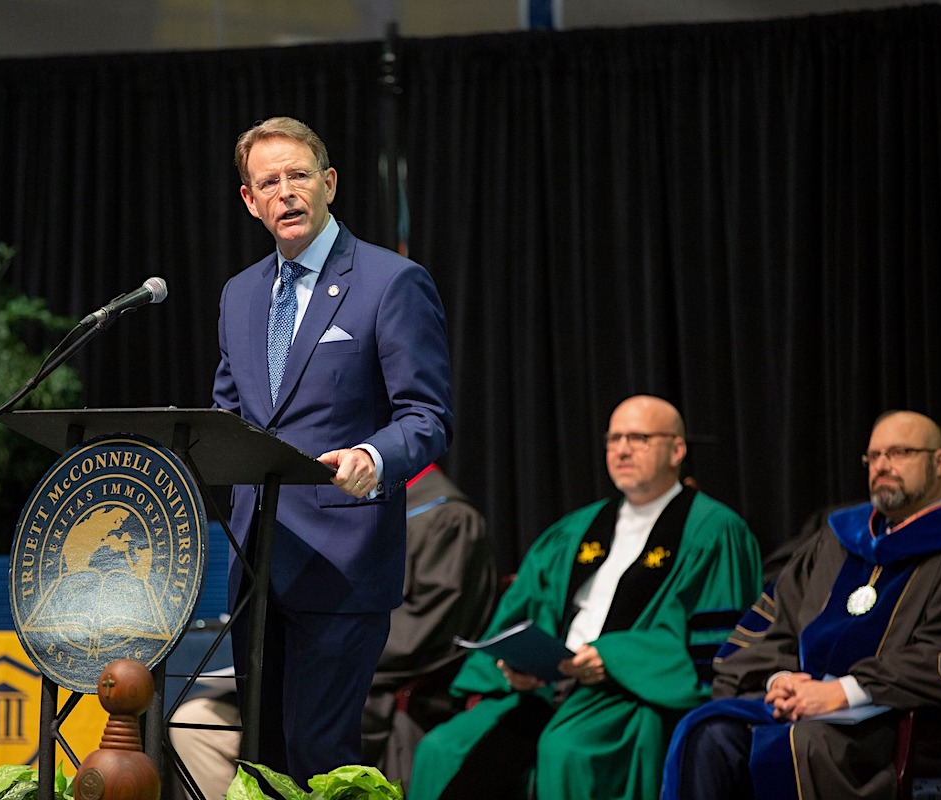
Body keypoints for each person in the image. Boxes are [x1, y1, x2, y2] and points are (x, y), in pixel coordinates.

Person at [211, 116, 454, 781]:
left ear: (329, 183)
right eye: (268, 182)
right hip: (253, 567)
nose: (285, 192)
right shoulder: (240, 294)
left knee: (319, 759)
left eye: (297, 175)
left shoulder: (390, 282)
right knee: (259, 762)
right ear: (250, 201)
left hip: (342, 562)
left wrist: (372, 458)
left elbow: (428, 416)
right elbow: (229, 417)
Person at [408, 395, 763, 800]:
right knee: (440, 749)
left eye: (639, 438)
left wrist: (613, 659)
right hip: (548, 687)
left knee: (569, 752)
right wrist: (519, 664)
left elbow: (716, 648)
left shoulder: (714, 532)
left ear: (677, 450)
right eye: (614, 439)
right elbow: (527, 610)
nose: (622, 449)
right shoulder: (577, 530)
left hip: (631, 692)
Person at [661, 410, 941, 800]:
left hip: (888, 726)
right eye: (873, 457)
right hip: (800, 711)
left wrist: (845, 691)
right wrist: (779, 681)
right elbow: (769, 624)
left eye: (899, 453)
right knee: (708, 734)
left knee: (800, 746)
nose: (882, 466)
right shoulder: (838, 538)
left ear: (939, 462)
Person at [168, 464, 495, 798]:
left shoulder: (448, 518)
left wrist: (317, 643)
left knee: (299, 730)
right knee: (194, 722)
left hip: (375, 686)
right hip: (306, 666)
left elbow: (425, 635)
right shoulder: (348, 502)